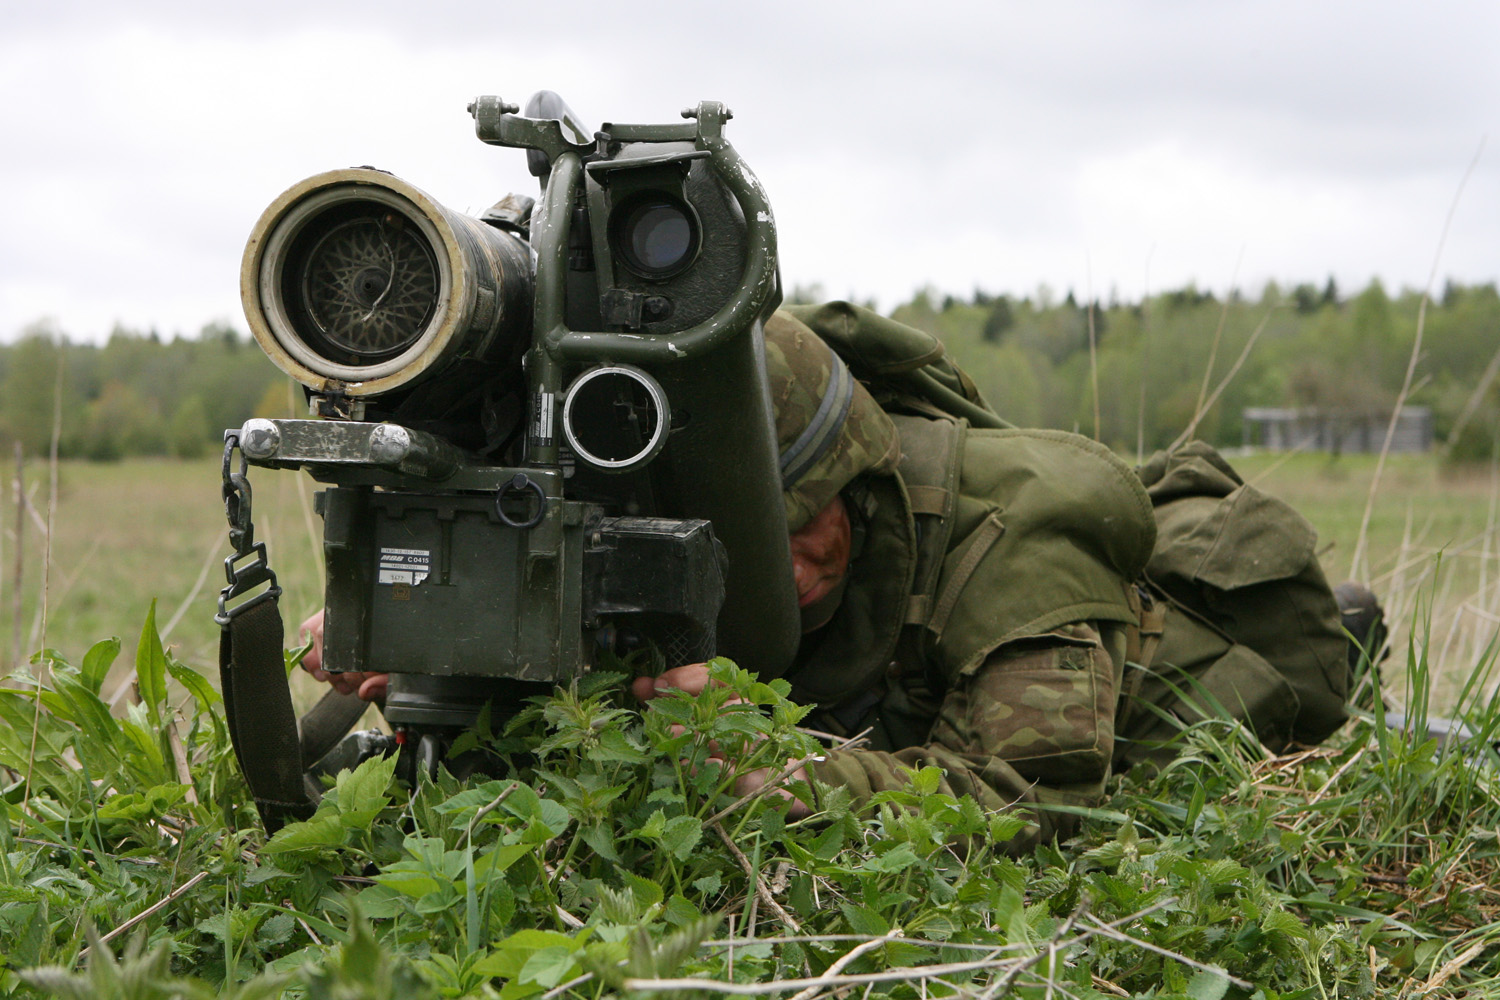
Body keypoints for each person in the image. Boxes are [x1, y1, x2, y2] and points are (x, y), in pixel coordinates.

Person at [300, 303, 1373, 855]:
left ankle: (1356, 631)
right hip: (899, 703)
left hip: (1172, 684)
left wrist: (765, 765)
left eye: (801, 530)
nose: (782, 571)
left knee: (1281, 677)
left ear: (860, 484)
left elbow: (1031, 805)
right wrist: (444, 649)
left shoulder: (1017, 539)